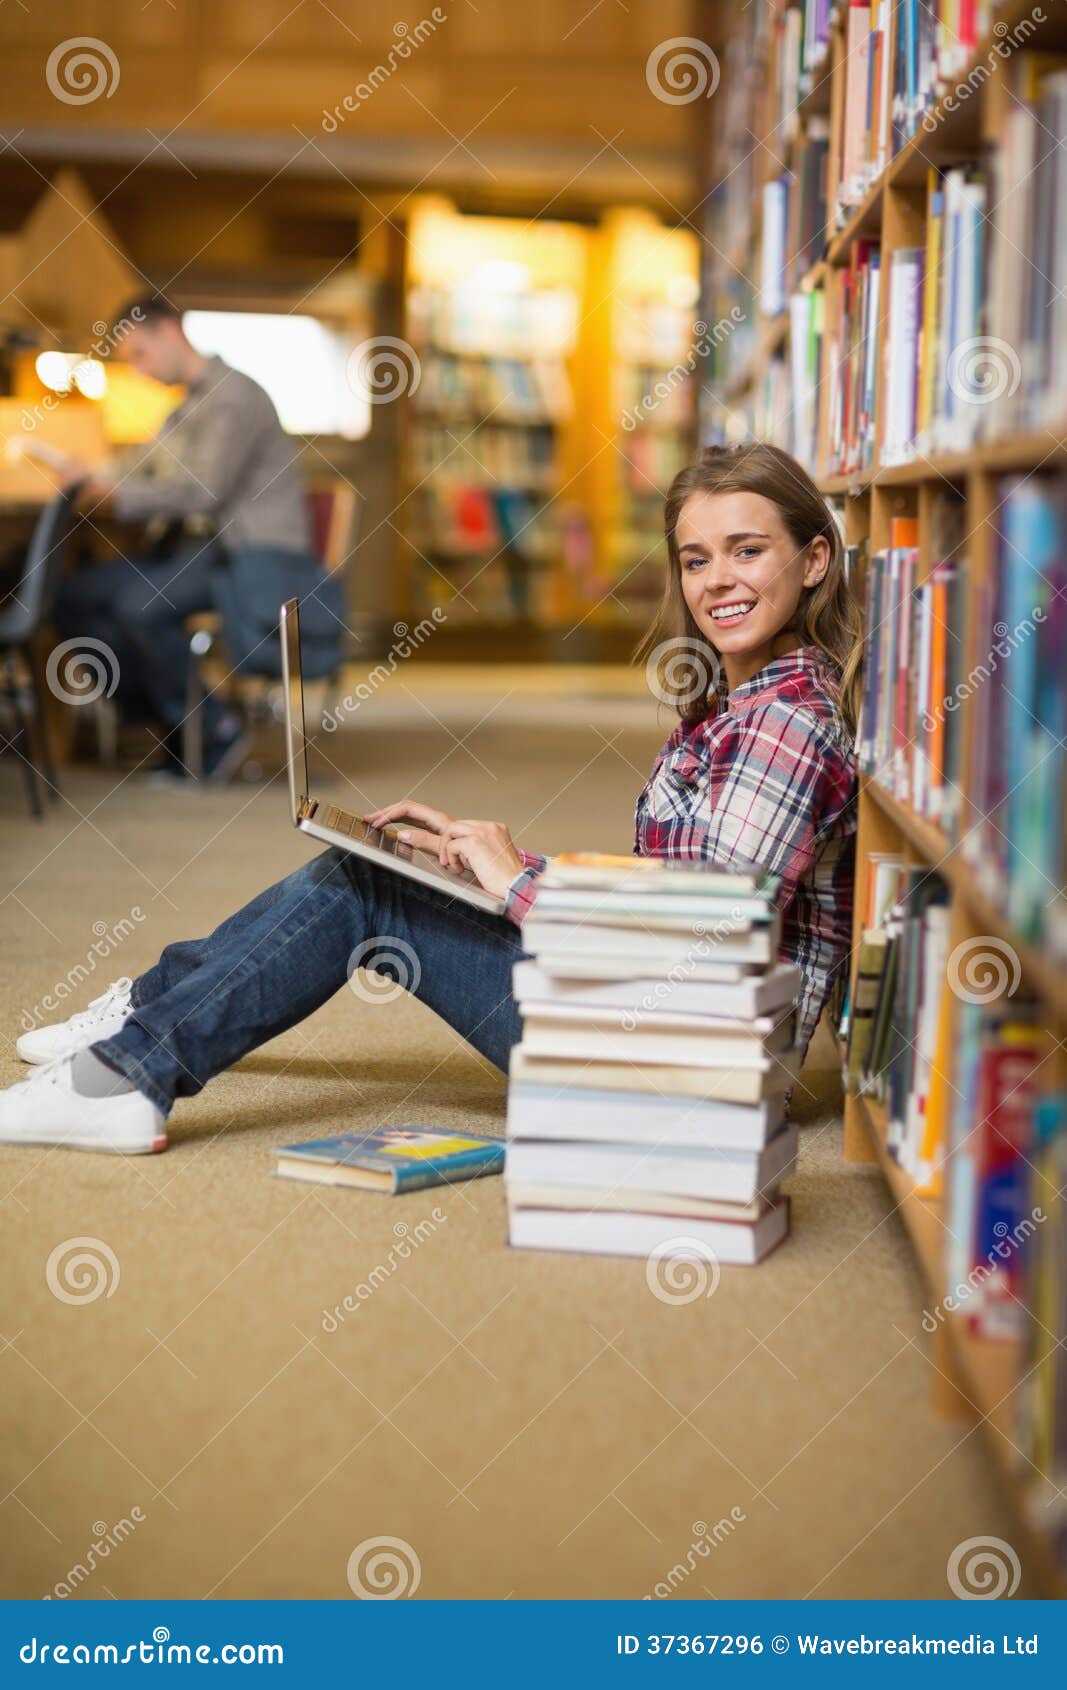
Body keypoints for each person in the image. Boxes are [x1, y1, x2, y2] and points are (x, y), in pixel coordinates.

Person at [0, 443, 861, 1154]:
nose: (717, 580)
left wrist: (518, 889)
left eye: (747, 550)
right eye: (695, 558)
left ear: (812, 558)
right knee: (378, 868)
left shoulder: (785, 721)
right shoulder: (753, 699)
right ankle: (146, 1022)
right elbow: (678, 886)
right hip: (658, 1024)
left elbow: (707, 932)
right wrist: (512, 864)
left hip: (682, 1072)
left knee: (368, 888)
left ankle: (128, 1068)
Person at [52, 295, 312, 775]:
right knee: (72, 596)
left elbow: (203, 492)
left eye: (139, 355)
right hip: (198, 551)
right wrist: (93, 475)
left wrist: (116, 496)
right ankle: (168, 723)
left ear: (170, 331)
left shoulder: (232, 396)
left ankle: (213, 732)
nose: (139, 371)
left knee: (137, 607)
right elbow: (145, 465)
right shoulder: (188, 406)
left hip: (249, 555)